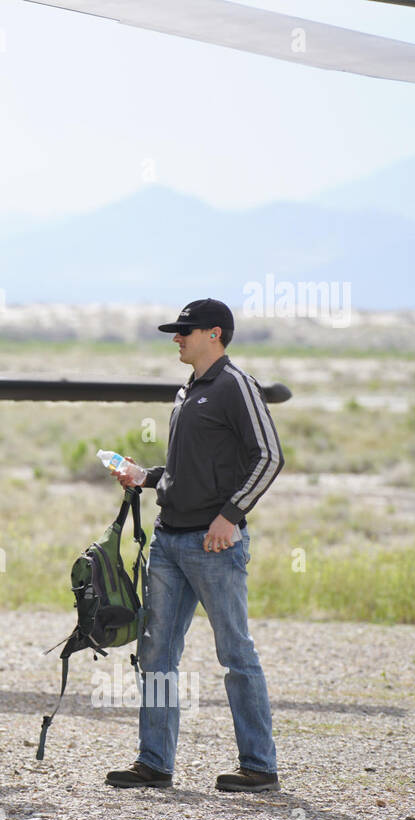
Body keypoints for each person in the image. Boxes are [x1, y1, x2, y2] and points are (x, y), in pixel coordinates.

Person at [106, 298, 284, 793]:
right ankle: (154, 763)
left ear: (215, 334)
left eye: (185, 330)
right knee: (156, 653)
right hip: (167, 542)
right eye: (176, 330)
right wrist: (145, 477)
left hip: (213, 546)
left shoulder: (235, 385)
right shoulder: (188, 390)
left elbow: (269, 457)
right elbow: (189, 473)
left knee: (236, 654)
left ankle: (259, 766)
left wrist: (231, 515)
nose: (177, 338)